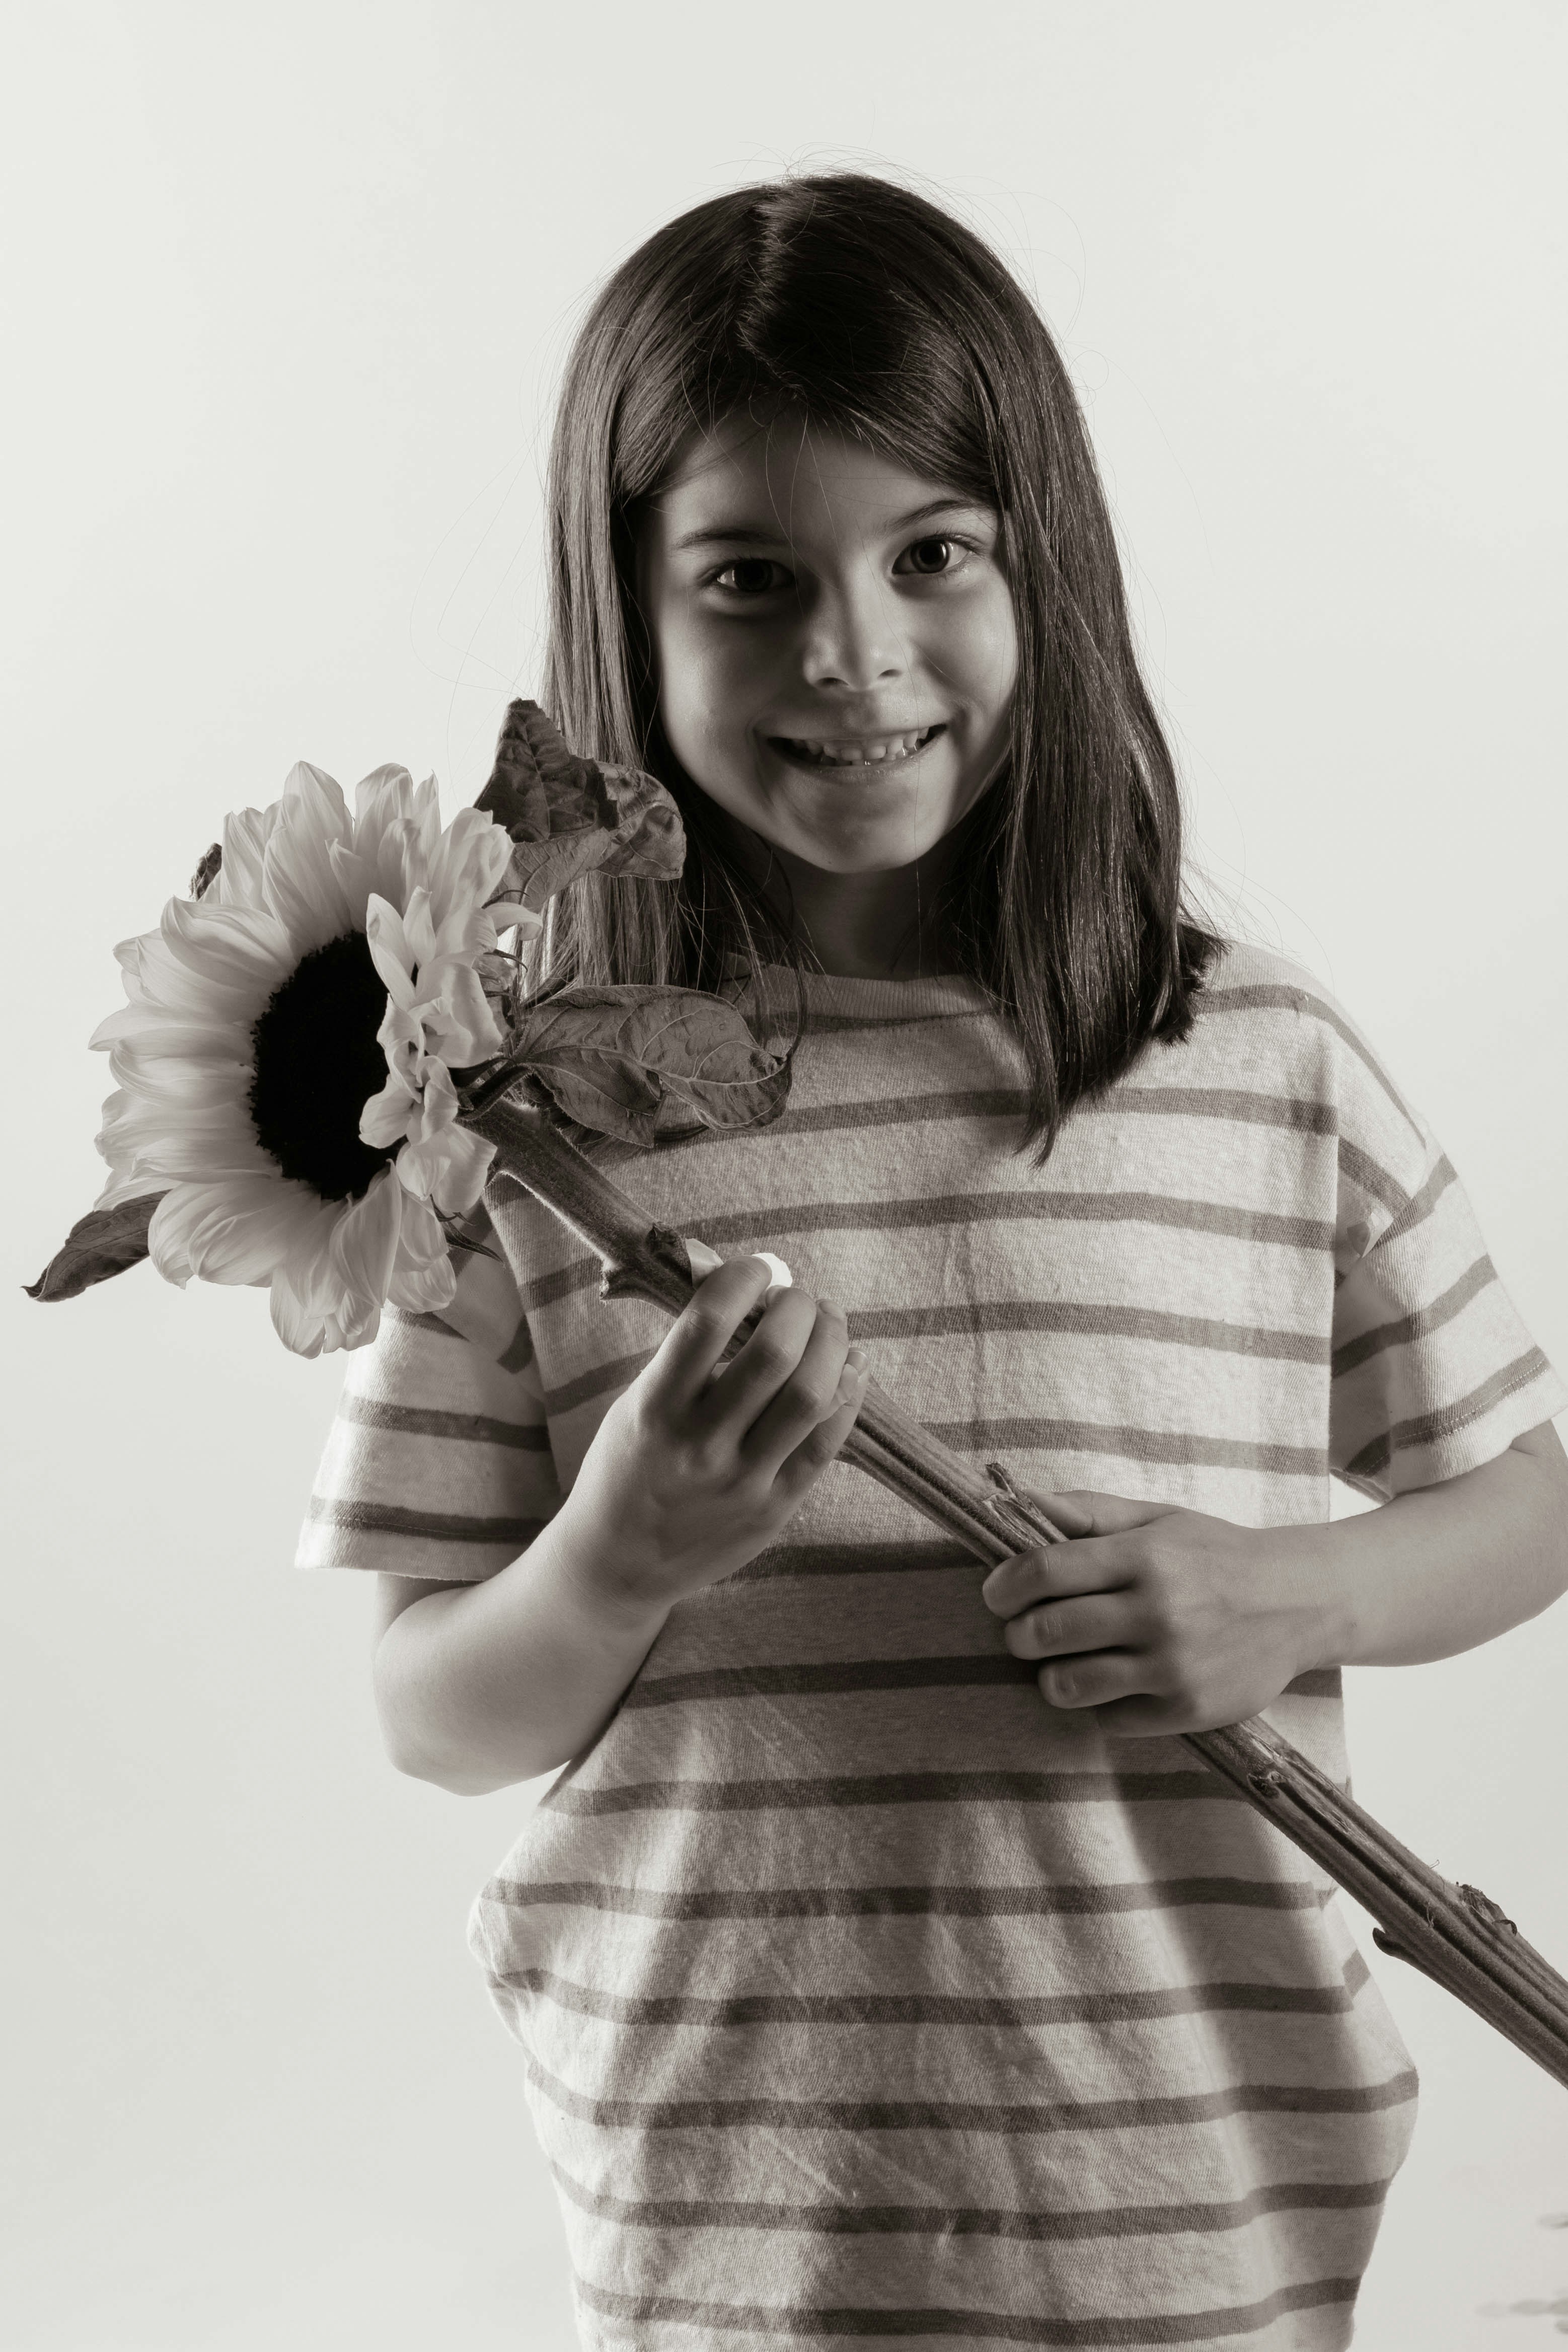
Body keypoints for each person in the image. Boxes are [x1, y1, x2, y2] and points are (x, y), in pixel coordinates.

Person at [298, 174, 1568, 2349]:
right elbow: (429, 1710)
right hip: (738, 2223)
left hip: (1204, 2196)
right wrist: (615, 1553)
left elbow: (1525, 1496)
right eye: (748, 579)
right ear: (626, 607)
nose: (852, 655)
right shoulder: (516, 1119)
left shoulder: (1245, 1060)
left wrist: (1294, 1592)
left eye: (930, 557)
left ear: (1034, 567)